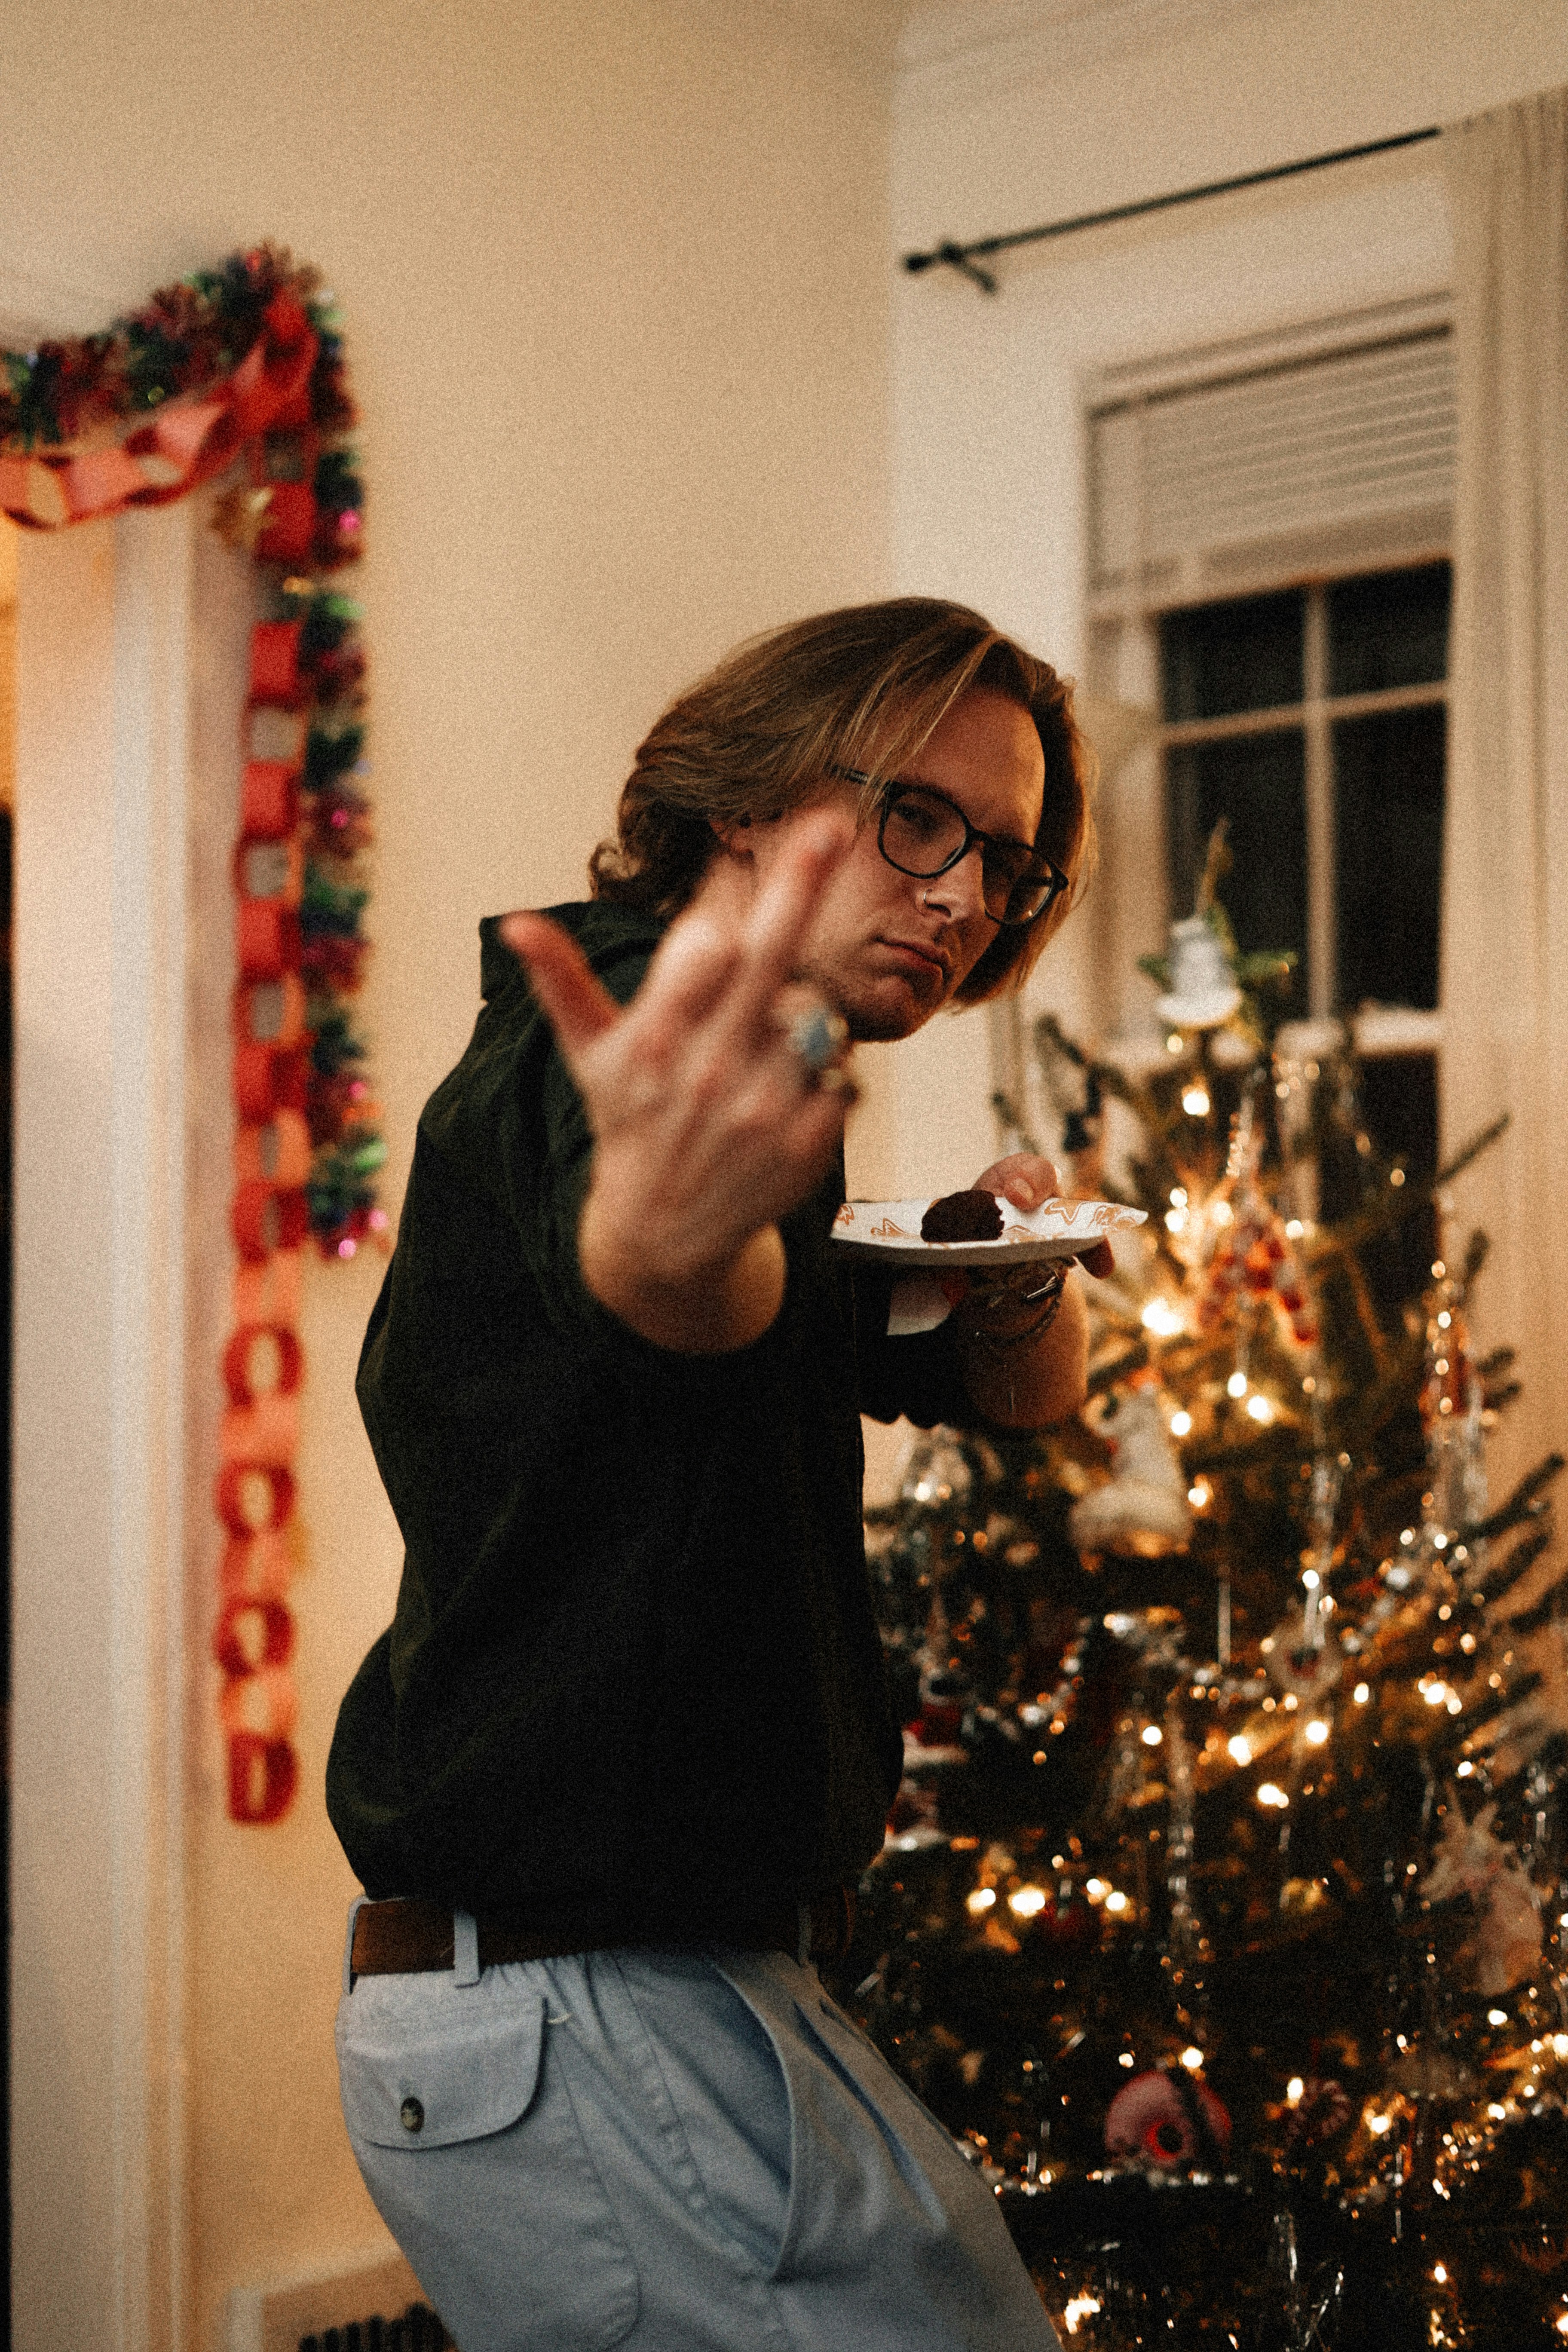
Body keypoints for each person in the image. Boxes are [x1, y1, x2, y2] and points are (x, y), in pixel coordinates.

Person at [328, 597, 1103, 2352]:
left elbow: (1024, 1400)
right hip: (577, 2002)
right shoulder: (599, 1046)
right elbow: (669, 1272)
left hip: (704, 1984)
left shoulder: (782, 1131)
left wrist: (1035, 1259)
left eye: (1008, 860)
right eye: (922, 819)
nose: (969, 894)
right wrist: (676, 1235)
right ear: (756, 798)